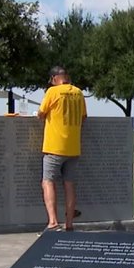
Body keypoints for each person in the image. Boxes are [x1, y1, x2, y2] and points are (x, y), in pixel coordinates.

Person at [38, 65, 87, 231]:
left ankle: (52, 222)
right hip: (73, 148)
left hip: (54, 146)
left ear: (54, 79)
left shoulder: (52, 92)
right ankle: (69, 224)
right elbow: (83, 117)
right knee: (69, 185)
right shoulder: (79, 92)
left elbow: (41, 113)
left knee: (48, 182)